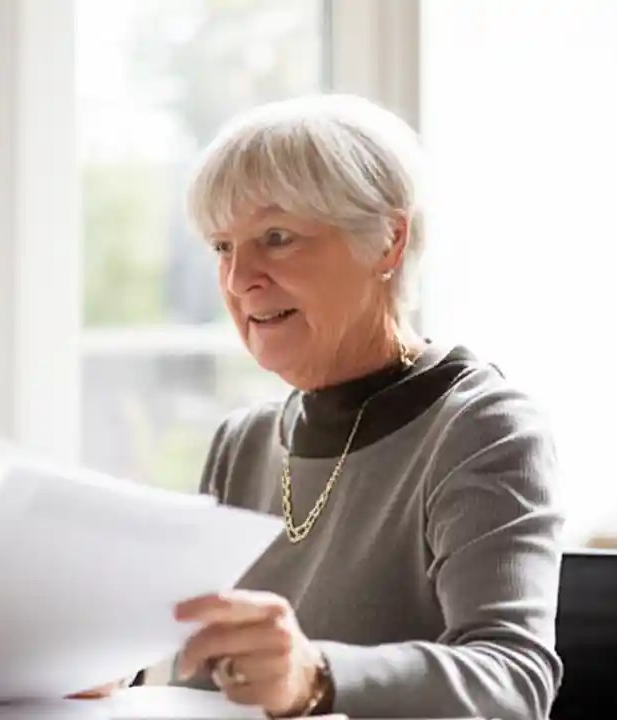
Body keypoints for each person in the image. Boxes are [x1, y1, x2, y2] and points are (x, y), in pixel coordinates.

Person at [168, 95, 564, 719]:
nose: (241, 278)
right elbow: (194, 686)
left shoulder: (481, 427)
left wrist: (315, 678)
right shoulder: (240, 442)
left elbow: (513, 685)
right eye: (222, 246)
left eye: (276, 237)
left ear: (387, 241)